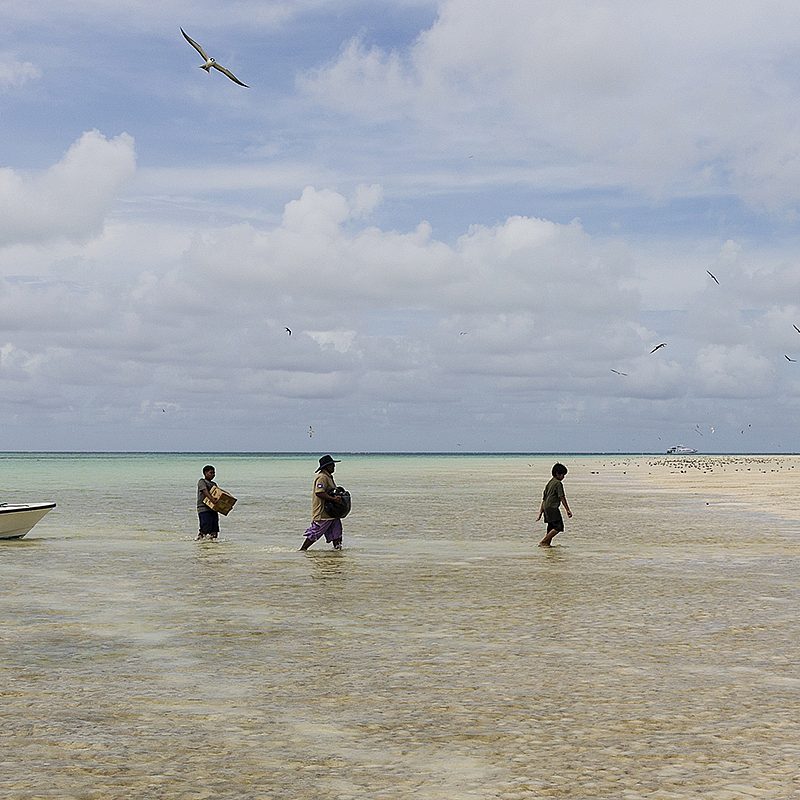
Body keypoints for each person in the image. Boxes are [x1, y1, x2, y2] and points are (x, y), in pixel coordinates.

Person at [300, 455, 345, 550]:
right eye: (332, 465)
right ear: (326, 466)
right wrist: (333, 499)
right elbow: (319, 492)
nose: (334, 467)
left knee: (337, 534)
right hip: (323, 514)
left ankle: (337, 553)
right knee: (315, 534)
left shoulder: (329, 477)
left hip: (332, 514)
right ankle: (302, 550)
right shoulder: (322, 477)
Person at [536, 462, 572, 547]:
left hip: (546, 507)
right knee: (558, 527)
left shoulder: (549, 483)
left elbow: (544, 499)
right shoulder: (558, 483)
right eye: (563, 475)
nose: (563, 477)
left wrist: (541, 512)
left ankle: (547, 545)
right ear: (557, 474)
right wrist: (567, 510)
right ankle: (543, 542)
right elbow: (562, 497)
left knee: (551, 527)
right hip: (552, 508)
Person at [196, 464, 219, 540]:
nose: (213, 475)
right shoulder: (202, 481)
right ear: (205, 473)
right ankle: (200, 544)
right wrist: (212, 500)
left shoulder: (214, 484)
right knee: (205, 528)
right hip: (204, 509)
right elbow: (205, 491)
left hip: (213, 509)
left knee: (214, 530)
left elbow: (219, 494)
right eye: (211, 473)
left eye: (214, 473)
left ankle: (212, 548)